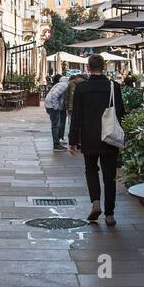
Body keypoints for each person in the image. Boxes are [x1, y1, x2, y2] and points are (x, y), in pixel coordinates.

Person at [68, 54, 127, 226]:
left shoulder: (81, 88)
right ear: (104, 67)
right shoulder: (113, 86)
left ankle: (95, 203)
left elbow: (76, 116)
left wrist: (72, 140)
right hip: (109, 137)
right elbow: (121, 112)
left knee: (91, 169)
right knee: (110, 176)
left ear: (88, 68)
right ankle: (109, 214)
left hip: (89, 138)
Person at [43, 73, 70, 149]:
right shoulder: (64, 85)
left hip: (49, 105)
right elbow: (54, 95)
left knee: (55, 125)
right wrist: (56, 107)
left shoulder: (60, 84)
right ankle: (56, 145)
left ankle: (57, 143)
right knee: (55, 126)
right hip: (52, 106)